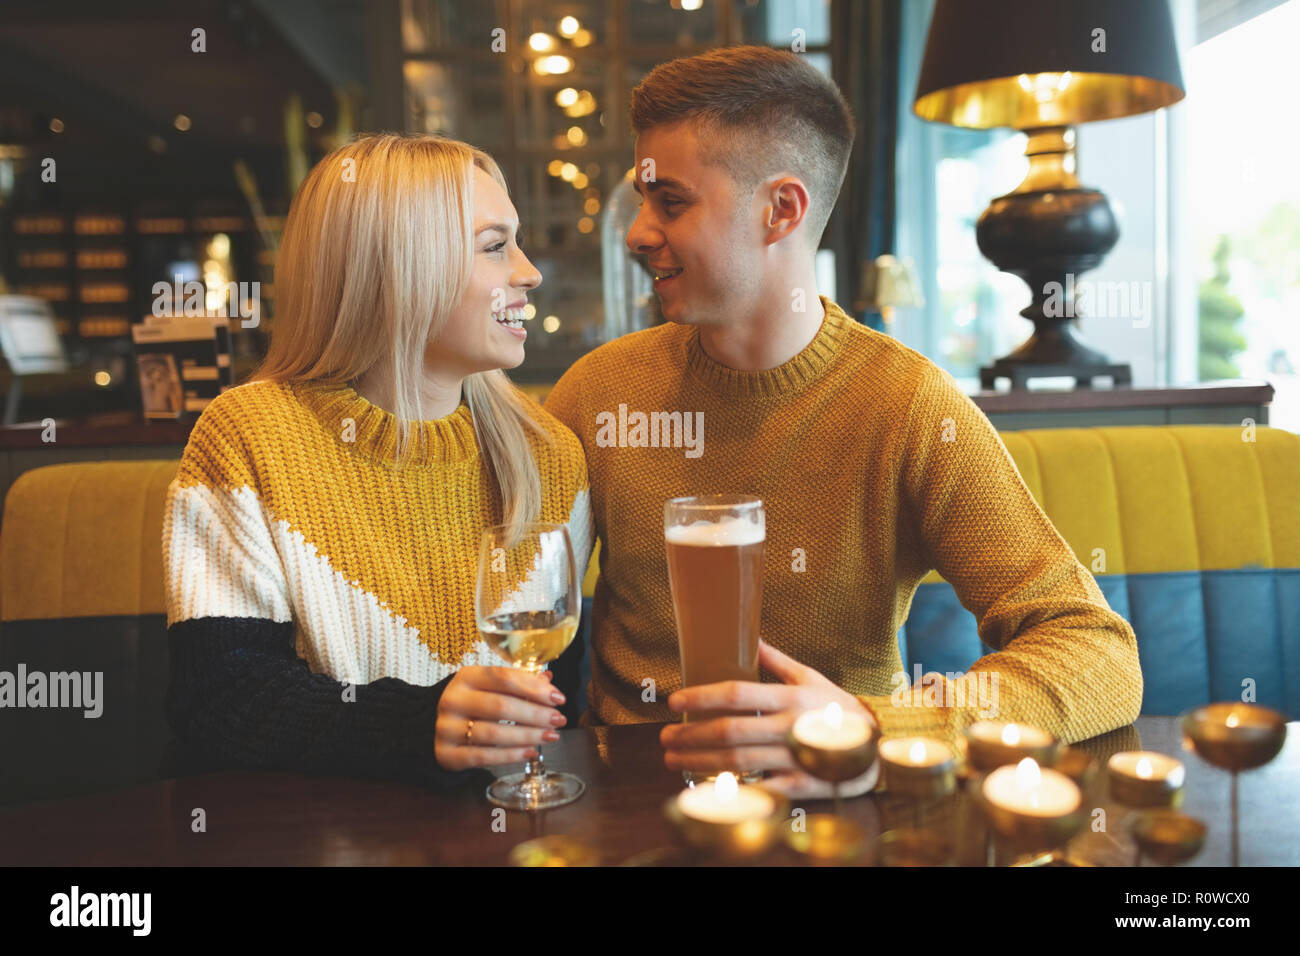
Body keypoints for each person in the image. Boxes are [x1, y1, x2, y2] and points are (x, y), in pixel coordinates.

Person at [544, 46, 1143, 798]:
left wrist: (868, 729)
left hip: (839, 800)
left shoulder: (908, 404)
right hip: (635, 795)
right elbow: (510, 609)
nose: (636, 232)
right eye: (643, 199)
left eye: (670, 203)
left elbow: (1098, 653)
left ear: (781, 210)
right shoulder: (597, 392)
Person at [162, 134, 593, 790]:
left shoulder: (548, 454)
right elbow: (221, 702)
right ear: (400, 268)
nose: (530, 272)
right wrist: (417, 726)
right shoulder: (248, 437)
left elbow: (562, 704)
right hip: (318, 832)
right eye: (494, 246)